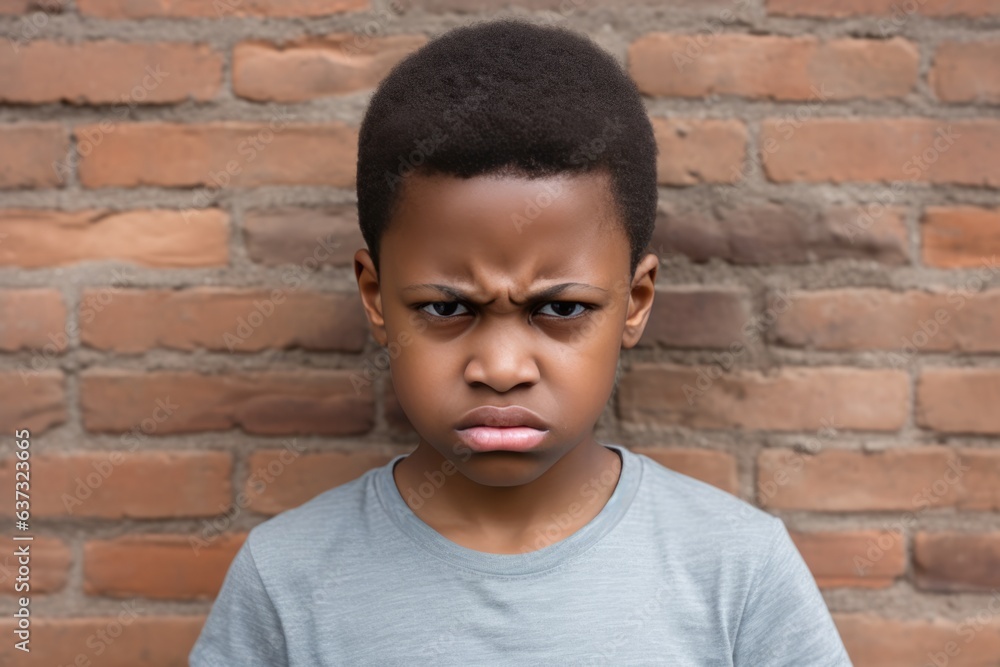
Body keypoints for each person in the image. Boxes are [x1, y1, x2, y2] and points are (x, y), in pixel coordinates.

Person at [189, 17, 853, 666]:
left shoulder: (737, 572)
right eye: (446, 307)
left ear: (635, 301)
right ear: (375, 296)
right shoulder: (287, 580)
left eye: (561, 307)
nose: (501, 369)